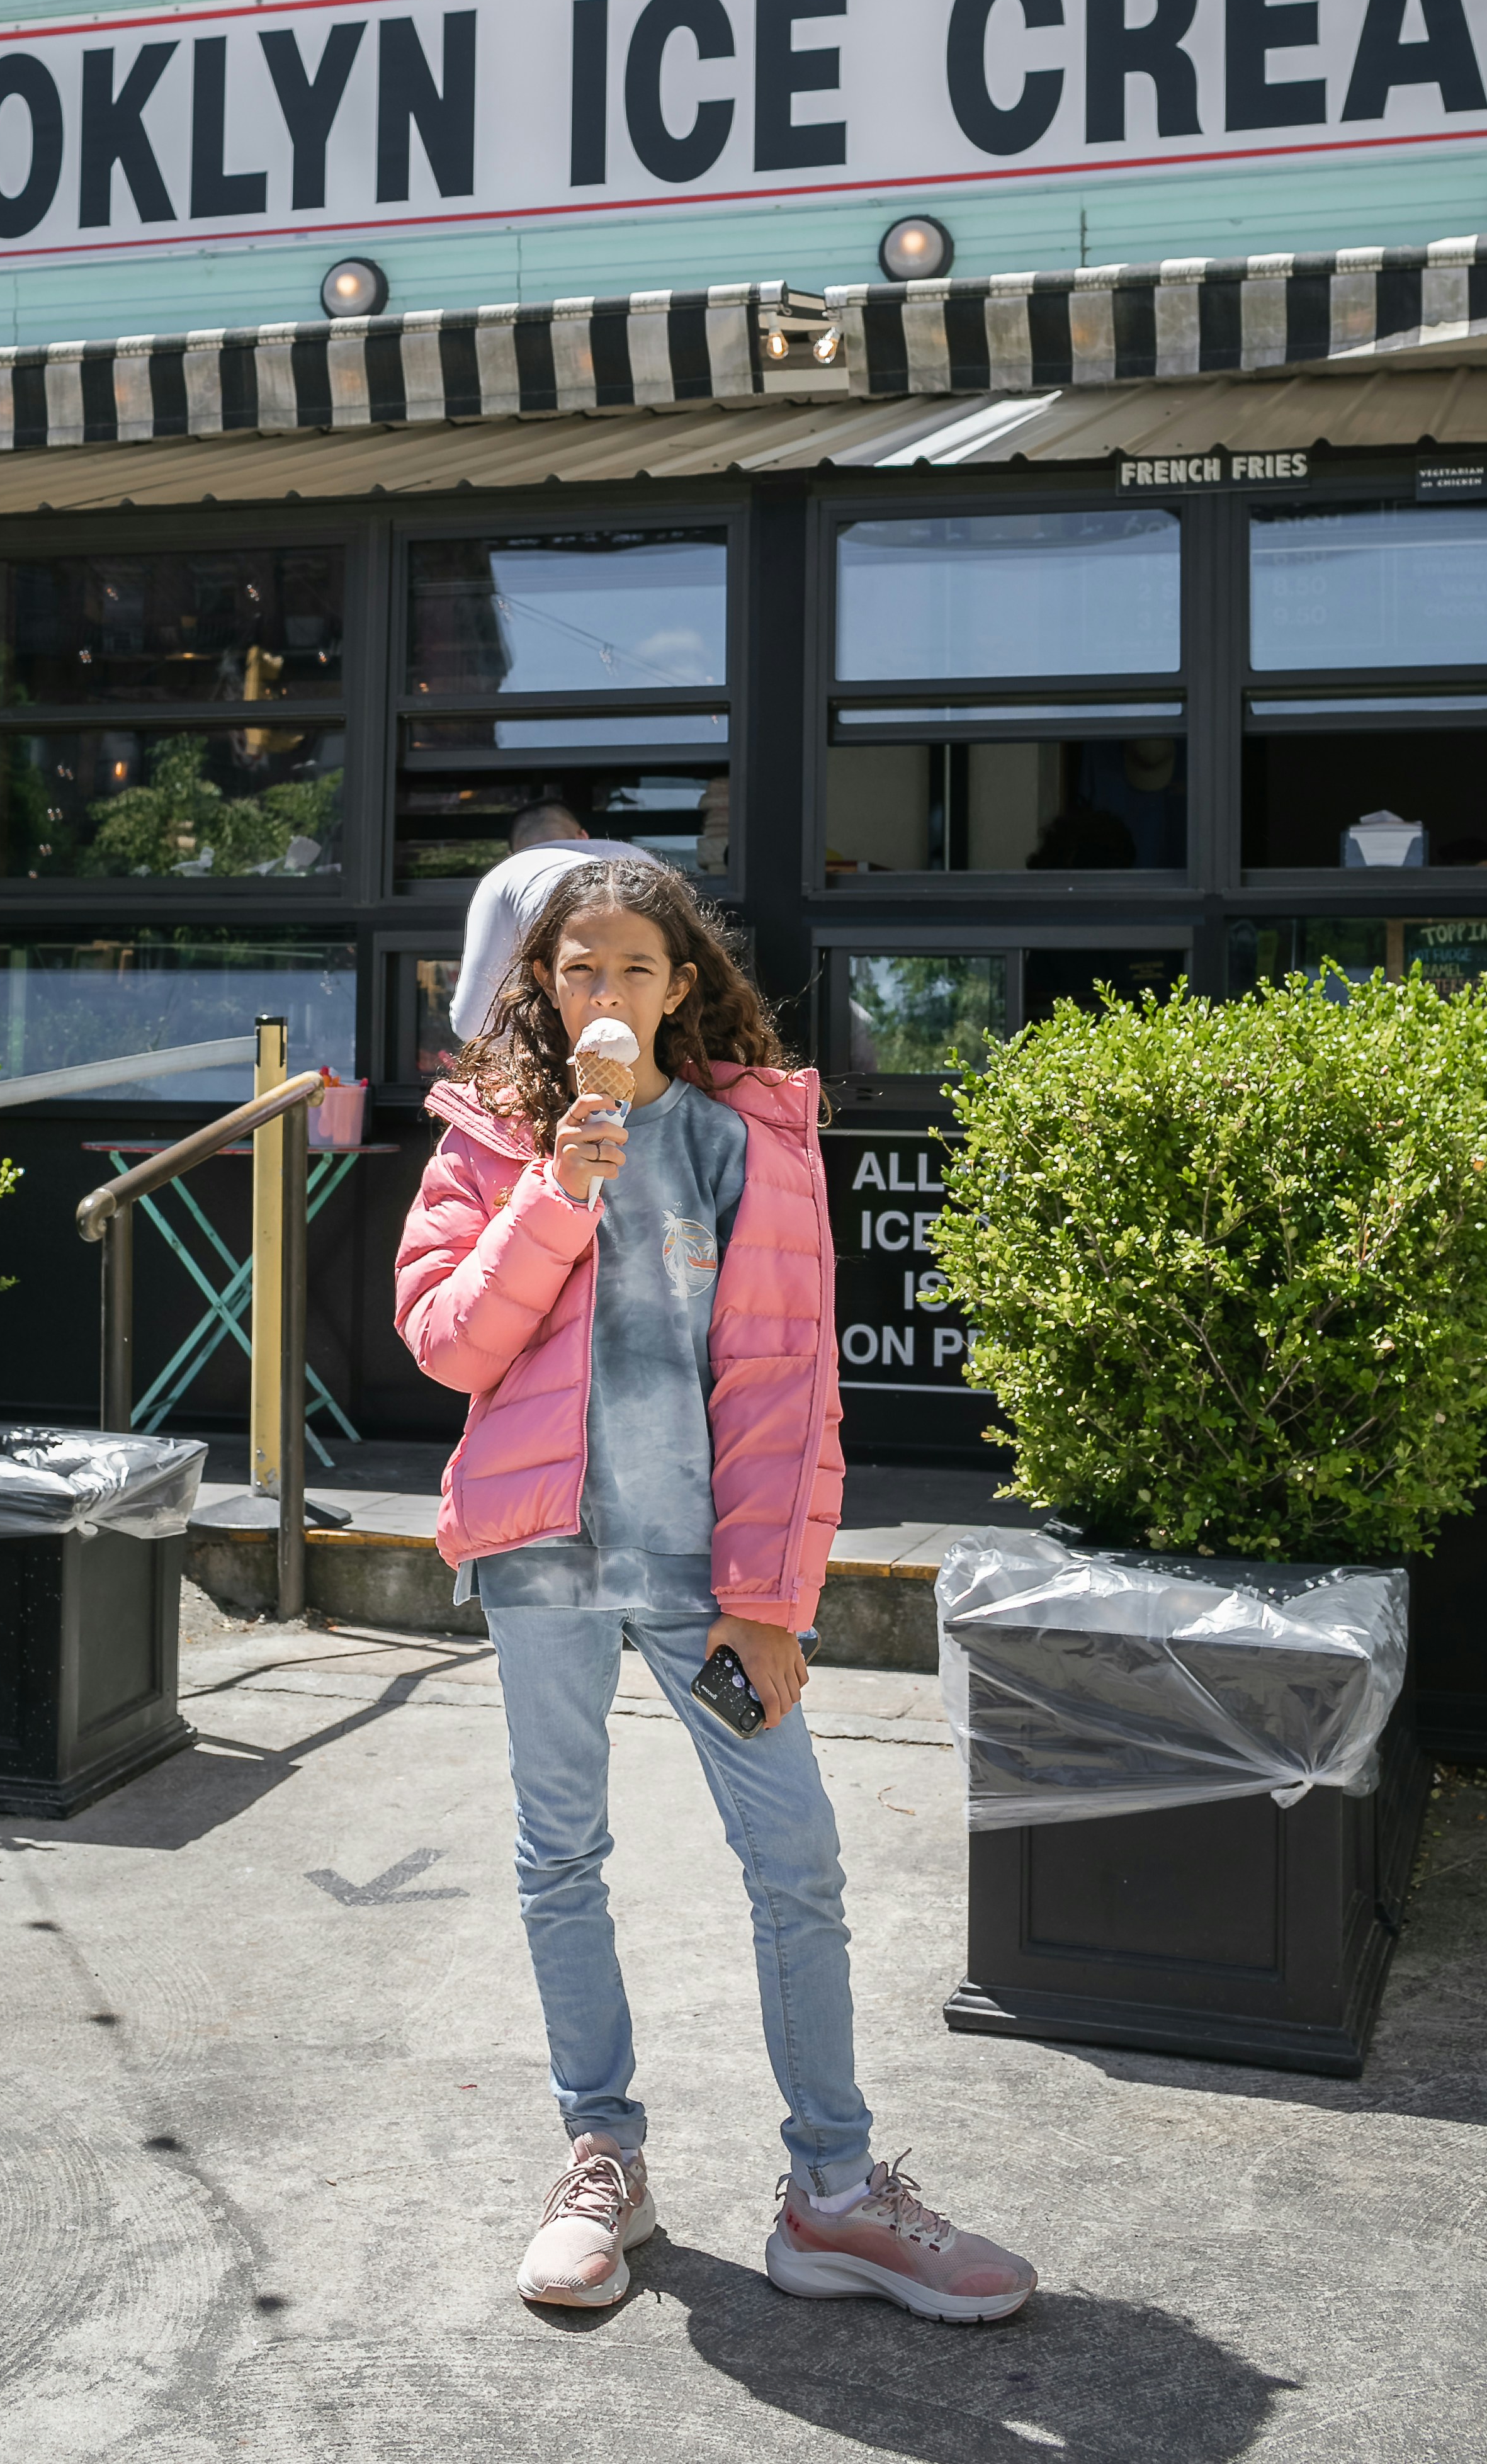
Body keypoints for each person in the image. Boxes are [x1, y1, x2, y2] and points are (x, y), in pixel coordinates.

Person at [394, 856, 1037, 2326]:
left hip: (709, 1583)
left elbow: (787, 1385)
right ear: (541, 988)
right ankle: (602, 2158)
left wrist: (773, 1597)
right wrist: (557, 1186)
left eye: (629, 967)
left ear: (682, 981)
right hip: (543, 1561)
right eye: (574, 970)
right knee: (560, 1855)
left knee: (794, 1855)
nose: (600, 993)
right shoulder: (490, 1136)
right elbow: (446, 1345)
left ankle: (832, 2187)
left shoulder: (754, 1133)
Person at [446, 803, 636, 1044]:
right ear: (583, 837)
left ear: (511, 856)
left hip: (553, 1055)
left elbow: (473, 1024)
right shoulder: (643, 865)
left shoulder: (507, 875)